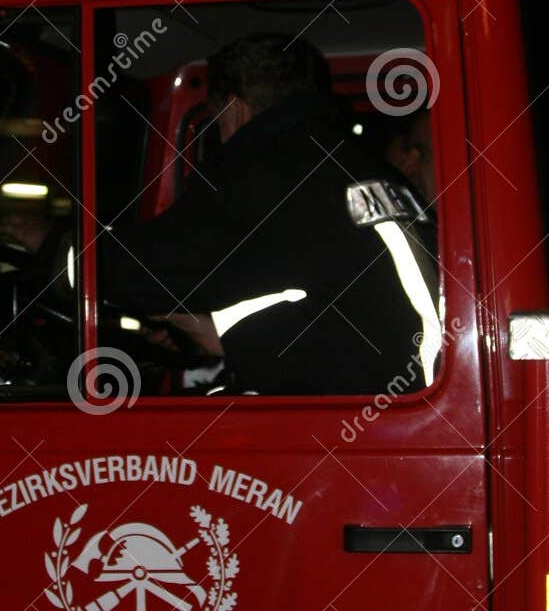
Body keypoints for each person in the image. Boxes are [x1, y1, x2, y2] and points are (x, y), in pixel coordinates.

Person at [98, 34, 431, 395]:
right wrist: (196, 328)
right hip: (401, 397)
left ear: (234, 110)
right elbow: (307, 284)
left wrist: (68, 252)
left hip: (356, 418)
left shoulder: (278, 174)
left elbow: (147, 267)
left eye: (216, 124)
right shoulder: (358, 167)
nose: (221, 139)